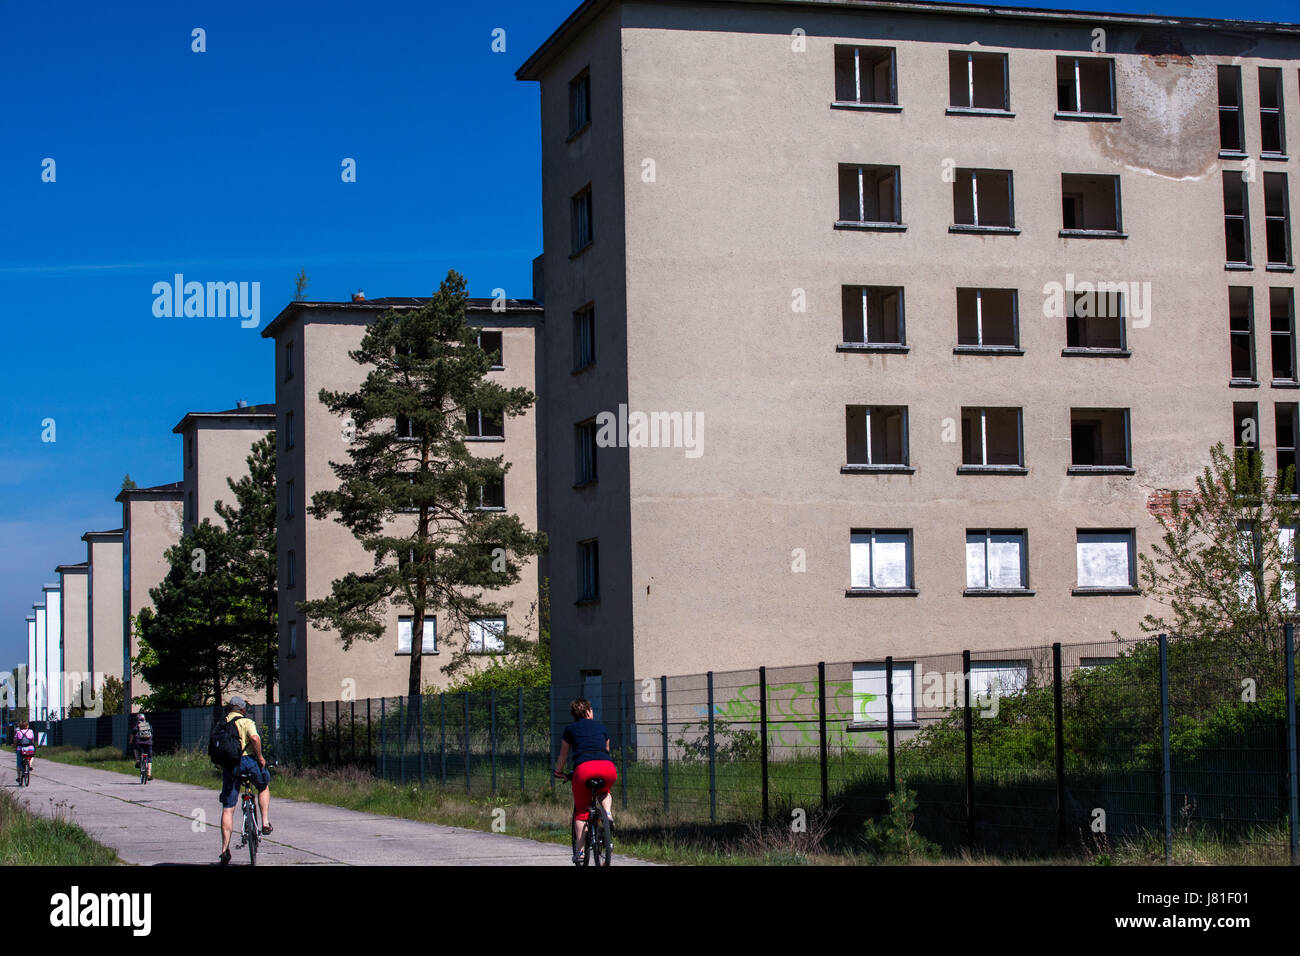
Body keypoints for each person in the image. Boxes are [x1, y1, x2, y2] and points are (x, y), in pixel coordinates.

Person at [553, 697, 617, 864]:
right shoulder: (601, 727)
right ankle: (608, 814)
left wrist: (558, 771)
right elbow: (607, 748)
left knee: (582, 812)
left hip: (584, 770)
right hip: (607, 768)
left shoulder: (570, 729)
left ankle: (580, 852)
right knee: (605, 791)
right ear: (588, 712)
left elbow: (564, 754)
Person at [217, 696, 272, 865]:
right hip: (247, 762)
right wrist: (260, 757)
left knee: (228, 808)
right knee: (263, 785)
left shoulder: (222, 724)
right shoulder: (246, 722)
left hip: (230, 765)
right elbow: (254, 739)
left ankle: (225, 849)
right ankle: (264, 822)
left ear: (229, 709)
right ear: (242, 709)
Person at [127, 713, 154, 780]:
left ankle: (138, 761)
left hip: (139, 743)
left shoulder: (137, 725)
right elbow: (151, 733)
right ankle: (149, 774)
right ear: (144, 719)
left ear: (138, 719)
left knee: (136, 749)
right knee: (149, 758)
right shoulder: (148, 725)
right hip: (148, 743)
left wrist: (130, 741)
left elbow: (133, 734)